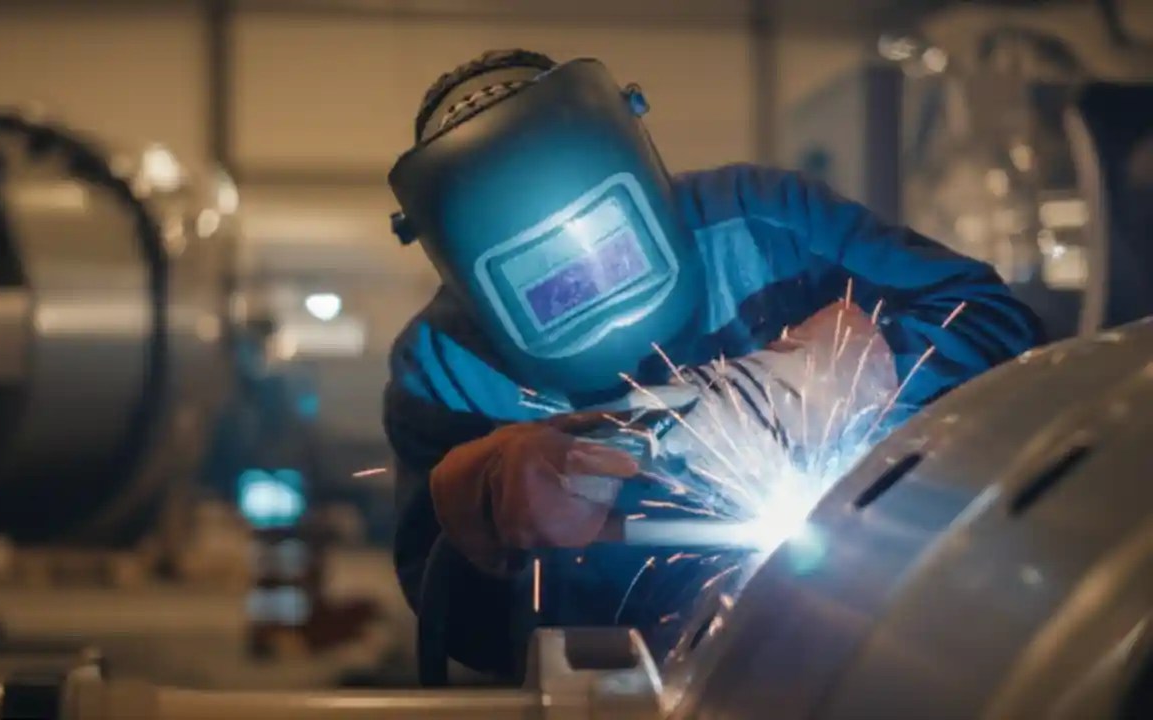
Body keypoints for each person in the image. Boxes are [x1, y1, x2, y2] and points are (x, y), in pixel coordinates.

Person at [382, 49, 1043, 675]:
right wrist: (497, 533)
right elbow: (464, 631)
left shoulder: (762, 220)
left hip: (899, 609)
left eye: (611, 250)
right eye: (548, 288)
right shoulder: (442, 369)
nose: (588, 285)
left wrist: (813, 387)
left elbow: (998, 326)